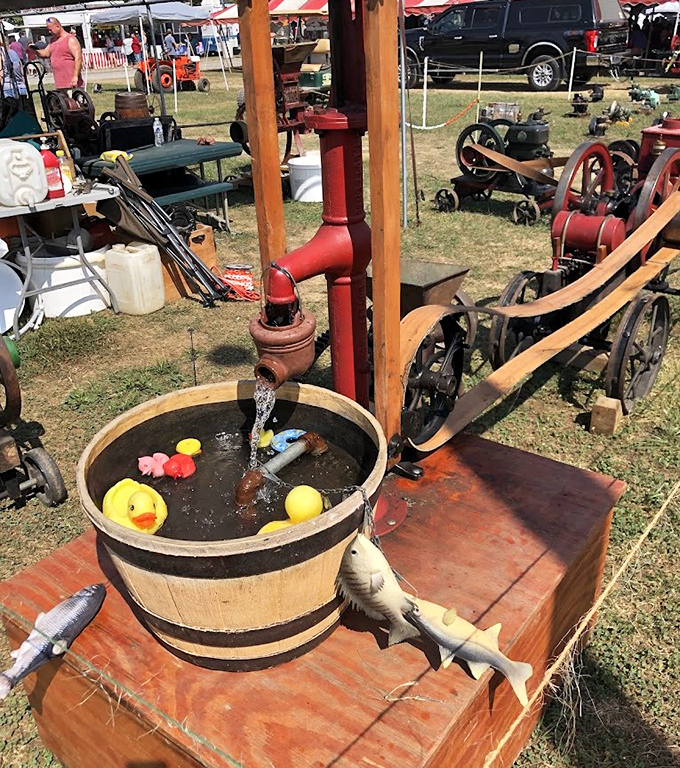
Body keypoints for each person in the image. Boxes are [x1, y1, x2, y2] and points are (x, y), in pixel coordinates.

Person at [29, 17, 83, 91]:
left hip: (72, 82)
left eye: (50, 29)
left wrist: (75, 76)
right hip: (60, 83)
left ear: (57, 26)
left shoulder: (70, 39)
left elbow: (78, 58)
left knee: (73, 102)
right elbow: (45, 53)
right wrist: (35, 50)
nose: (49, 32)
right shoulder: (53, 41)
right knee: (63, 101)